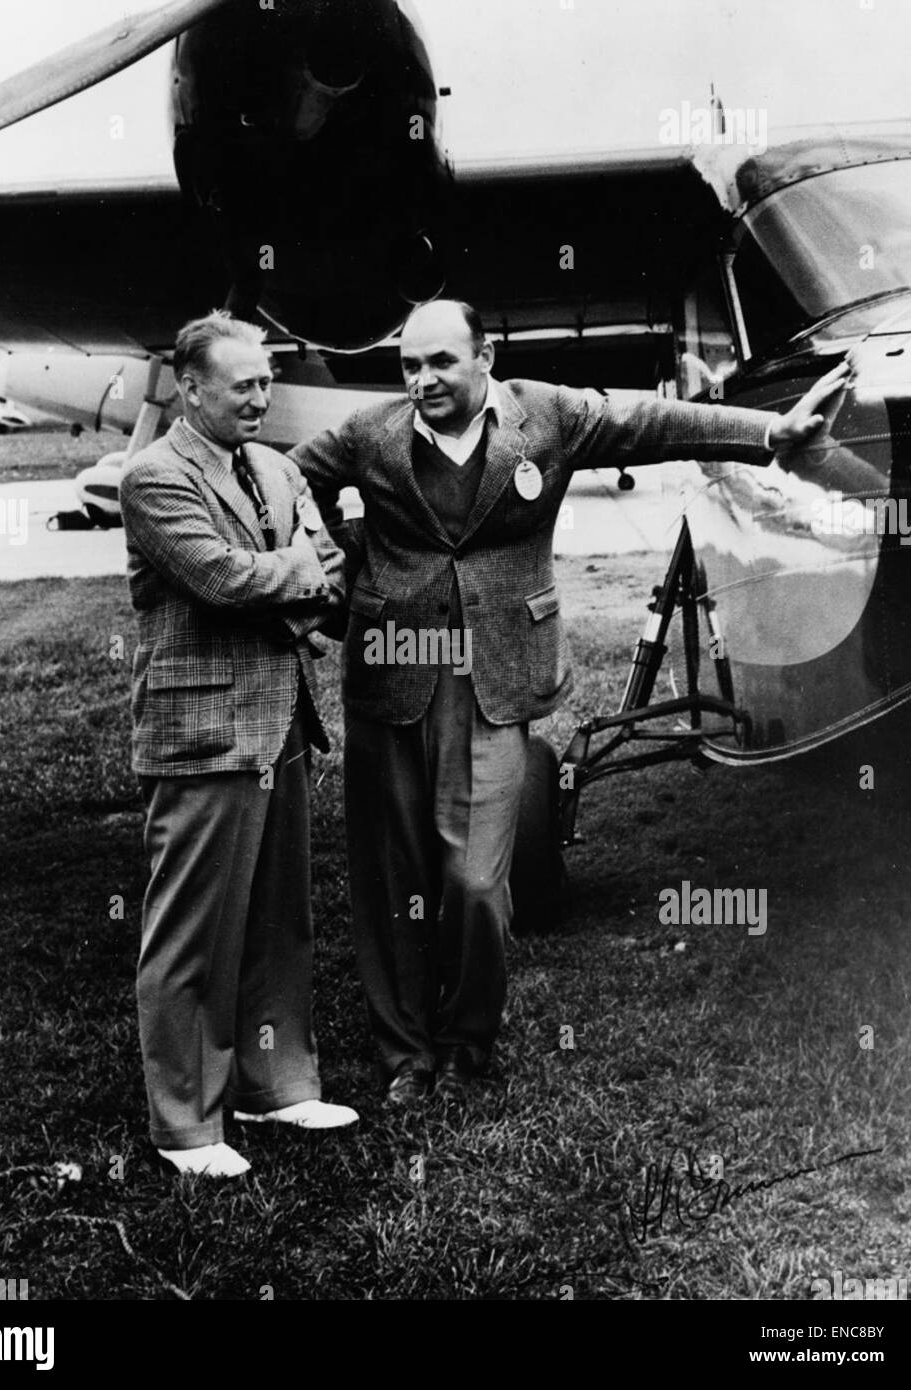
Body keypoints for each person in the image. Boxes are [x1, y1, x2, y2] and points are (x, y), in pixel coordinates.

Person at [291, 298, 848, 1106]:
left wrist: (769, 435)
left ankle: (466, 1039)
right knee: (390, 878)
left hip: (497, 684)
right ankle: (403, 1053)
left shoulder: (545, 416)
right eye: (409, 365)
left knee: (476, 879)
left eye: (440, 362)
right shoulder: (369, 433)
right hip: (391, 678)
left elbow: (649, 424)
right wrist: (326, 568)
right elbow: (284, 481)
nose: (422, 380)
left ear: (485, 357)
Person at [120, 311, 358, 1178]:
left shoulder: (277, 466)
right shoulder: (153, 477)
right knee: (193, 932)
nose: (262, 397)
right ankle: (186, 1126)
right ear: (191, 387)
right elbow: (221, 580)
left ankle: (277, 1084)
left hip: (280, 722)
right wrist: (296, 571)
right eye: (243, 385)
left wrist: (298, 572)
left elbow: (327, 573)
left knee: (275, 917)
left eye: (267, 382)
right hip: (203, 733)